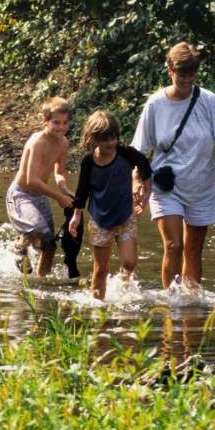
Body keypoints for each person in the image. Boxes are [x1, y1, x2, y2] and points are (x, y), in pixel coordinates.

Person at [132, 42, 215, 290]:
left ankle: (191, 307)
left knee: (193, 250)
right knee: (174, 245)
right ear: (170, 71)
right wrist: (137, 180)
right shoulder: (156, 104)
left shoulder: (208, 100)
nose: (187, 79)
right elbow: (139, 150)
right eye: (181, 74)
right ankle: (171, 301)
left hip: (201, 186)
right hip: (167, 187)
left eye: (191, 74)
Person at [68, 110, 152, 300]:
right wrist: (76, 216)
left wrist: (146, 191)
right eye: (105, 139)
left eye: (113, 138)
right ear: (93, 139)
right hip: (100, 221)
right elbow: (82, 191)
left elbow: (144, 163)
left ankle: (122, 286)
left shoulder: (125, 154)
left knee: (130, 263)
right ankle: (99, 308)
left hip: (125, 217)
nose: (110, 143)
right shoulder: (88, 161)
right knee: (101, 270)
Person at [5, 96, 74, 276]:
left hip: (40, 196)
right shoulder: (37, 142)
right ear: (45, 121)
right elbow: (31, 179)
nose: (61, 127)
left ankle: (41, 281)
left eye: (65, 123)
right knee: (39, 230)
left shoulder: (63, 143)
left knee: (50, 243)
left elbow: (59, 172)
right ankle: (19, 247)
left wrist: (65, 190)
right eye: (56, 122)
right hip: (21, 195)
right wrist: (59, 197)